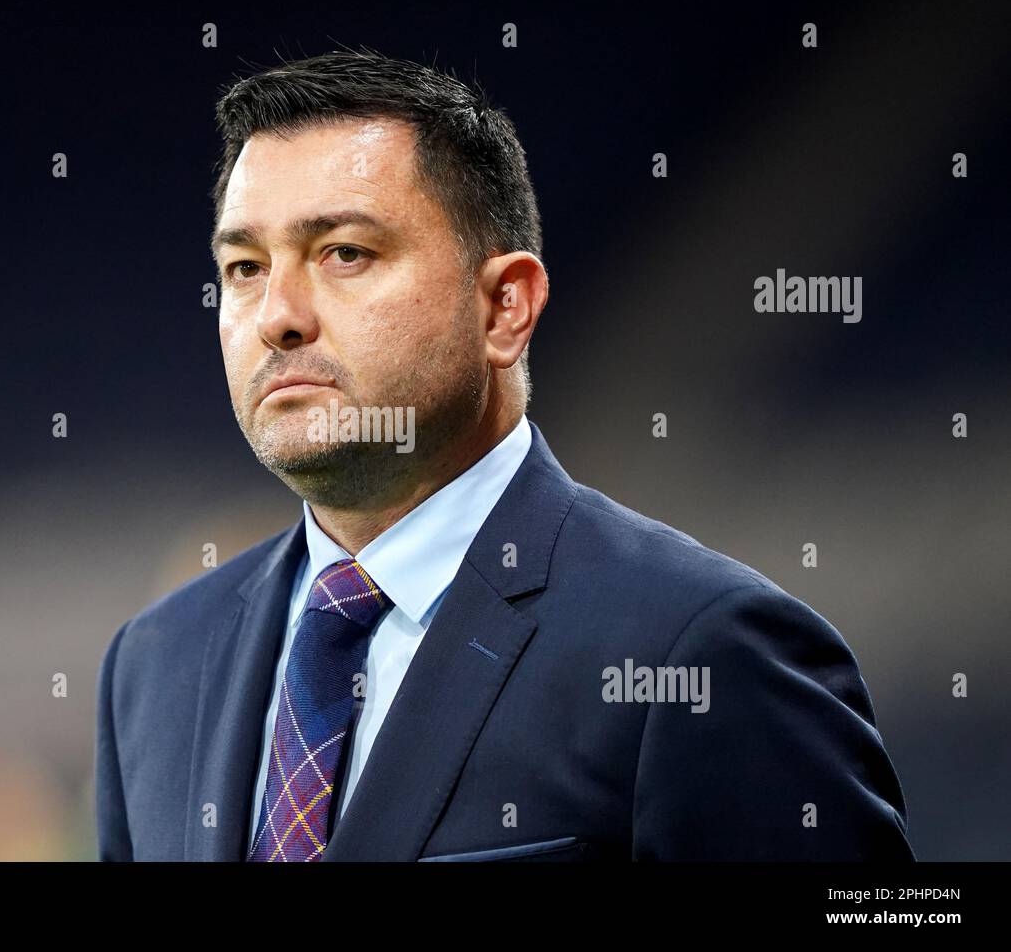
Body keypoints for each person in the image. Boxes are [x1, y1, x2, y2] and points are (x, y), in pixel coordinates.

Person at [95, 49, 913, 862]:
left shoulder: (699, 651)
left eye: (344, 252)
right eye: (244, 267)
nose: (278, 314)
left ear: (504, 307)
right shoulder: (155, 663)